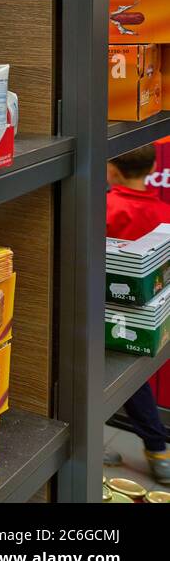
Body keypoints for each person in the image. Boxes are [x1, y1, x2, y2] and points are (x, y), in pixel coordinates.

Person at [105, 145, 170, 484]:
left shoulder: (106, 207)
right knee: (136, 380)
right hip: (151, 315)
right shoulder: (163, 211)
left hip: (107, 313)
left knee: (105, 380)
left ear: (112, 170)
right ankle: (158, 452)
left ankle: (155, 448)